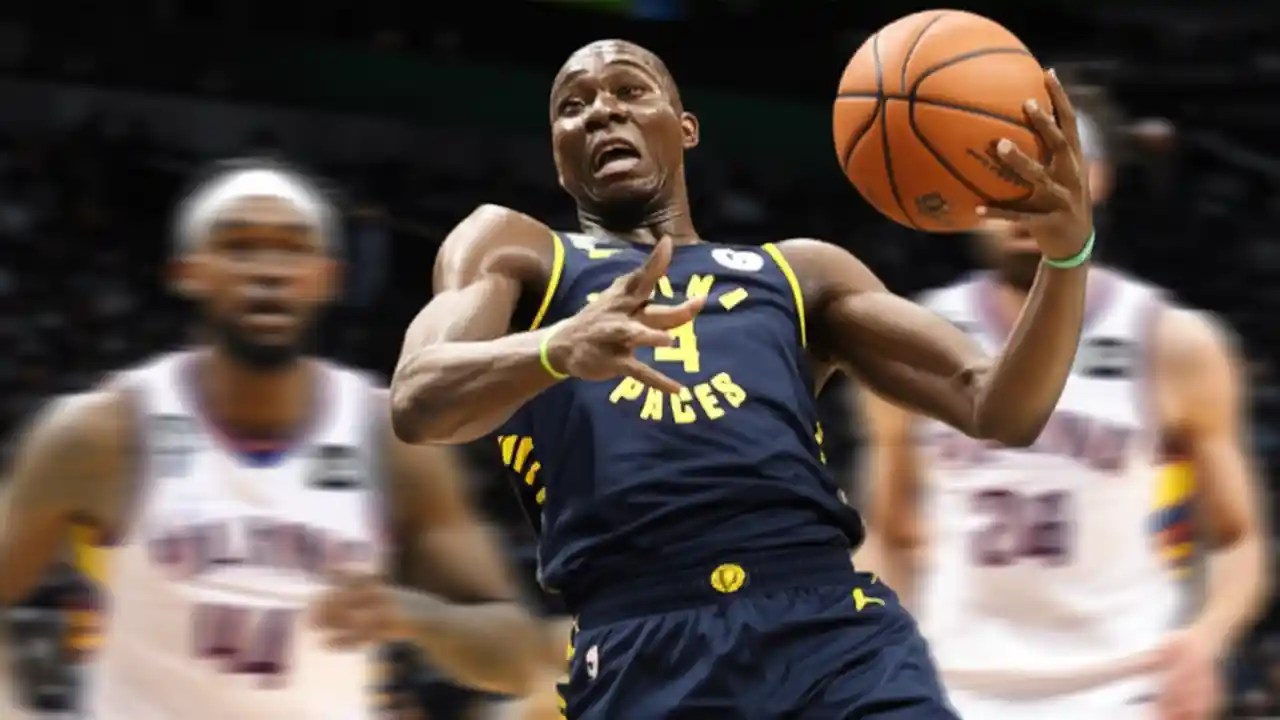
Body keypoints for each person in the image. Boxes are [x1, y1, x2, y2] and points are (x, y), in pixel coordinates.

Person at [391, 39, 1093, 718]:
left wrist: (1068, 257)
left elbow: (999, 405)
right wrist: (555, 348)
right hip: (644, 643)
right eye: (573, 106)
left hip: (831, 634)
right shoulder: (518, 253)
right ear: (558, 155)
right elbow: (419, 399)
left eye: (630, 90)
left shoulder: (800, 273)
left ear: (685, 128)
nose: (602, 110)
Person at [0, 158, 552, 719]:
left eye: (292, 248)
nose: (268, 269)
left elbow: (515, 655)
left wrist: (409, 613)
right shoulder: (100, 432)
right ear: (188, 271)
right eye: (239, 246)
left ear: (327, 276)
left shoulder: (389, 439)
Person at [854, 86, 1270, 720]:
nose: (1021, 206)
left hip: (1126, 688)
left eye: (1041, 177)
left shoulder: (1174, 342)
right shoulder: (908, 338)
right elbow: (890, 535)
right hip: (952, 688)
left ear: (1092, 181)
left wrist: (1206, 642)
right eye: (998, 179)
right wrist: (872, 650)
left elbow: (1238, 540)